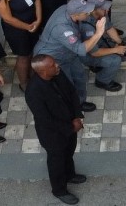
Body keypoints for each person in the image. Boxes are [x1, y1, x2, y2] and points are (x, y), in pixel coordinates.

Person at [25, 54, 86, 205]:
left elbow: (72, 92)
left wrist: (77, 116)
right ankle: (59, 190)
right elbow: (45, 119)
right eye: (52, 65)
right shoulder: (33, 91)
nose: (57, 65)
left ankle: (70, 175)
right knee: (56, 161)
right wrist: (71, 127)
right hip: (53, 134)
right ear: (43, 71)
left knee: (69, 152)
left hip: (71, 124)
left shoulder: (57, 73)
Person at [34, 0, 107, 112]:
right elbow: (81, 49)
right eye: (86, 12)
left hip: (68, 53)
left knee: (79, 76)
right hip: (53, 58)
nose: (89, 14)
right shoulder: (62, 28)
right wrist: (98, 33)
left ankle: (80, 102)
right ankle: (71, 108)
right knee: (66, 84)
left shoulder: (67, 8)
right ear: (76, 14)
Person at [78, 0, 126, 92]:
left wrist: (120, 43)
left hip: (99, 43)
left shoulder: (102, 14)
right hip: (87, 53)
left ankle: (98, 66)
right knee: (115, 60)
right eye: (103, 8)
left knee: (123, 53)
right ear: (94, 10)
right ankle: (102, 81)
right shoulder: (86, 27)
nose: (107, 10)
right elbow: (94, 52)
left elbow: (109, 28)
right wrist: (116, 50)